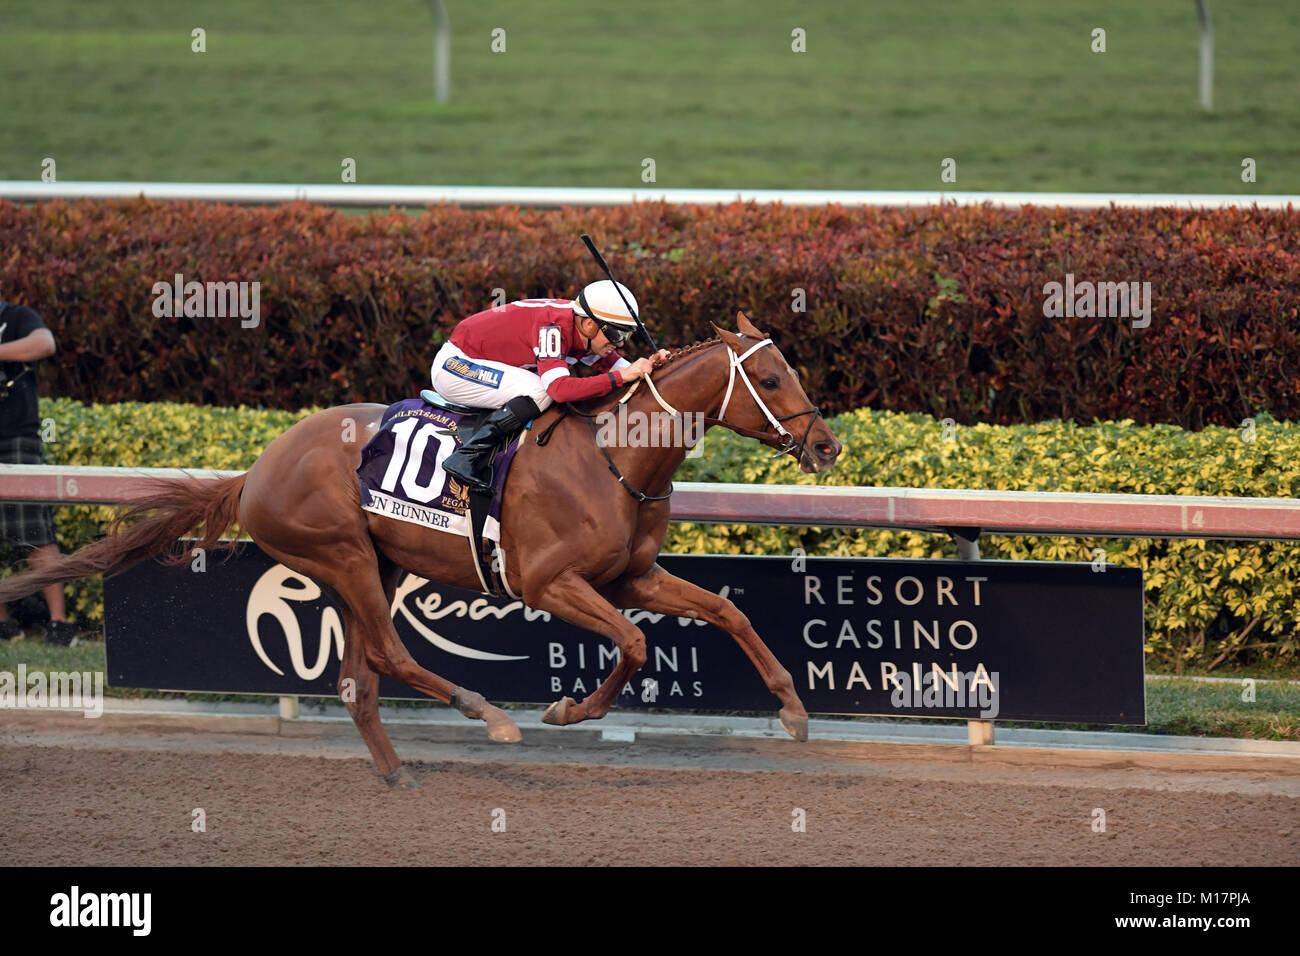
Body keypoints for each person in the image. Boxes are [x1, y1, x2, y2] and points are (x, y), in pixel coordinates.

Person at [432, 280, 670, 494]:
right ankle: (466, 457)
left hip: (478, 361)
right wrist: (623, 376)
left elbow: (618, 366)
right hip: (456, 366)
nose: (619, 343)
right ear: (589, 325)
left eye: (625, 336)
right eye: (616, 333)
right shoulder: (553, 328)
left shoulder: (578, 325)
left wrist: (651, 367)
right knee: (539, 390)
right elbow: (559, 389)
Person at [0, 300, 76, 646]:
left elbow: (45, 343)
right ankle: (4, 625)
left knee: (35, 532)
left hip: (17, 435)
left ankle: (59, 625)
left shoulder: (14, 316)